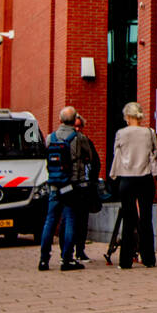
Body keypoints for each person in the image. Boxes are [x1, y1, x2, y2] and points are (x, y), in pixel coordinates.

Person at [109, 102, 157, 269]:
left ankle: (125, 261)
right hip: (145, 178)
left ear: (128, 116)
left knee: (128, 219)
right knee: (146, 219)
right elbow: (154, 153)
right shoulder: (149, 132)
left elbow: (116, 155)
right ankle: (149, 259)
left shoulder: (121, 134)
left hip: (127, 179)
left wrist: (114, 175)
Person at [39, 106, 88, 272]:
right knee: (70, 220)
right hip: (71, 185)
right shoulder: (79, 138)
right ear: (75, 120)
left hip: (54, 184)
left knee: (50, 221)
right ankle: (67, 259)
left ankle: (44, 259)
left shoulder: (49, 138)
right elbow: (87, 156)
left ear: (60, 120)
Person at [70, 112, 101, 263]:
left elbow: (95, 162)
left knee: (82, 220)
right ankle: (68, 251)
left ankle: (80, 250)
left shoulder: (86, 142)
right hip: (70, 186)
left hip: (84, 186)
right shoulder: (66, 141)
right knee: (70, 219)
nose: (76, 129)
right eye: (74, 126)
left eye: (79, 126)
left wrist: (92, 181)